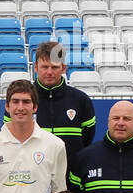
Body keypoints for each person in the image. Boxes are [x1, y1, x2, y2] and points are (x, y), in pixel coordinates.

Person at [32, 40, 97, 170]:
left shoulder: (81, 100)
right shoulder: (22, 100)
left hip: (71, 179)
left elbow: (87, 140)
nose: (49, 72)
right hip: (33, 178)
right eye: (45, 67)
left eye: (55, 67)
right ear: (35, 67)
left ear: (63, 68)